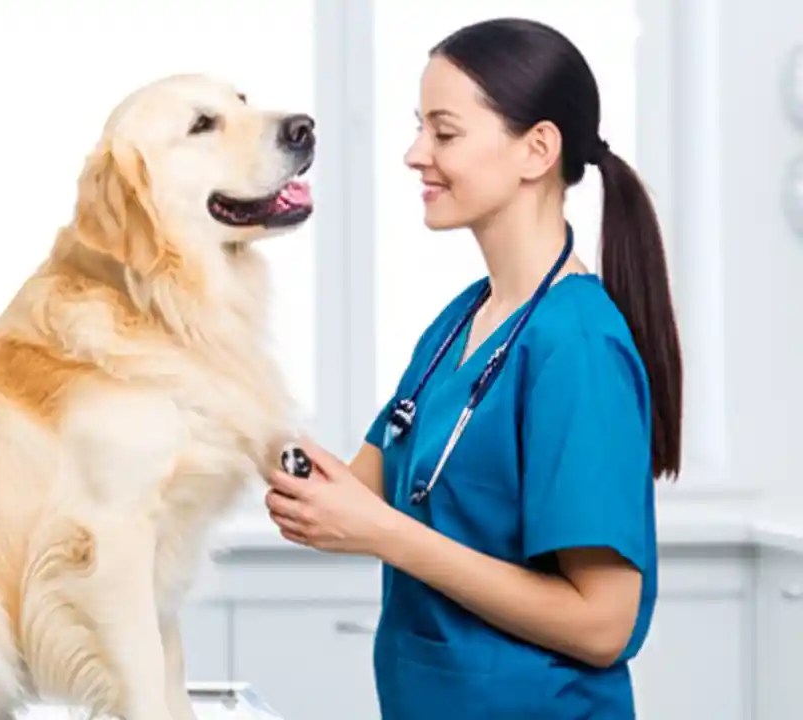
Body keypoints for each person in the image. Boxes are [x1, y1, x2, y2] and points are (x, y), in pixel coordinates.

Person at [264, 17, 682, 719]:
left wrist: (389, 536)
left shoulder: (575, 345)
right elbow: (351, 497)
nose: (414, 153)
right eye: (418, 127)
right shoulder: (461, 322)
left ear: (536, 149)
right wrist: (210, 387)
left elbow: (603, 625)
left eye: (444, 132)